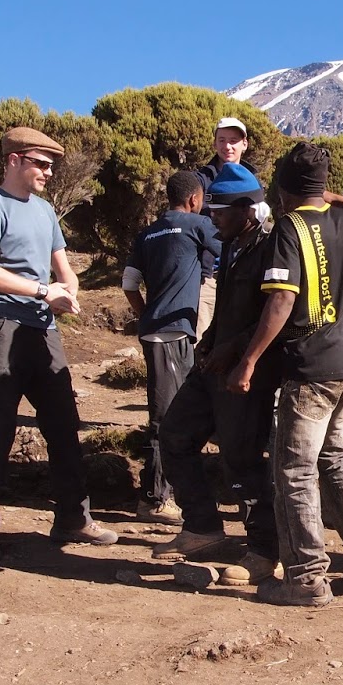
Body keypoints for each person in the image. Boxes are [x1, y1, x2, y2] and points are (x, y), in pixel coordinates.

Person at [226, 143, 343, 608]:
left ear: (284, 189)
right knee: (335, 455)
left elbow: (281, 300)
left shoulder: (288, 227)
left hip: (310, 368)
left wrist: (247, 361)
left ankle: (305, 576)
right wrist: (341, 200)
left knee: (294, 470)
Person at [0, 127, 120, 562]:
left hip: (43, 329)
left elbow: (65, 269)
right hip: (3, 327)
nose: (48, 171)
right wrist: (43, 291)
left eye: (51, 165)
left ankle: (72, 518)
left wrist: (69, 290)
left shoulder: (45, 211)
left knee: (64, 424)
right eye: (40, 163)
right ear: (13, 161)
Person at [155, 163, 280, 587]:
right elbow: (227, 305)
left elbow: (275, 312)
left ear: (247, 209)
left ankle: (265, 551)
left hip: (246, 372)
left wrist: (236, 349)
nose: (212, 218)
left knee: (241, 460)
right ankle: (203, 528)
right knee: (174, 435)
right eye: (210, 209)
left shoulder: (270, 246)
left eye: (220, 211)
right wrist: (210, 340)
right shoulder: (230, 246)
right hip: (213, 364)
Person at [122, 170, 220, 524]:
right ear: (195, 199)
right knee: (168, 416)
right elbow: (233, 250)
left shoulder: (148, 232)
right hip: (175, 334)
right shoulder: (196, 225)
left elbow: (129, 282)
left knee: (171, 411)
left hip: (153, 332)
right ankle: (154, 498)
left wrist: (146, 314)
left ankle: (165, 493)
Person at [195, 117, 257, 338]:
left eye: (233, 140)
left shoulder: (253, 177)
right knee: (203, 334)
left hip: (245, 273)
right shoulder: (201, 179)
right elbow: (199, 224)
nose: (227, 146)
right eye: (221, 140)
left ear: (244, 143)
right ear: (214, 144)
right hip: (210, 274)